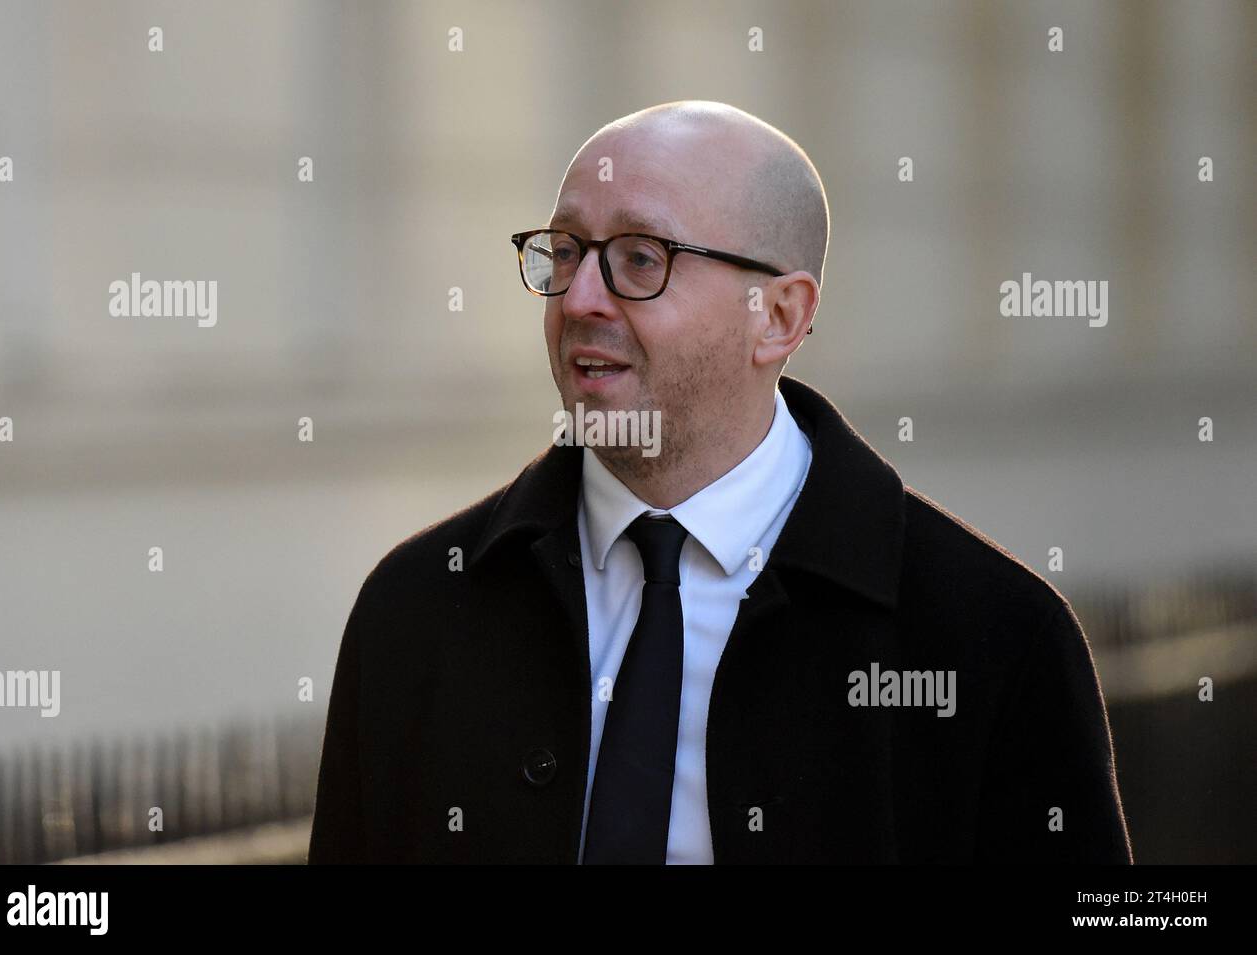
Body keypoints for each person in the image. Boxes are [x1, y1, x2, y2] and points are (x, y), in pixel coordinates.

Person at [308, 100, 1133, 864]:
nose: (580, 297)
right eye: (564, 252)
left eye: (641, 257)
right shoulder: (418, 608)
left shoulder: (992, 636)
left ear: (777, 317)